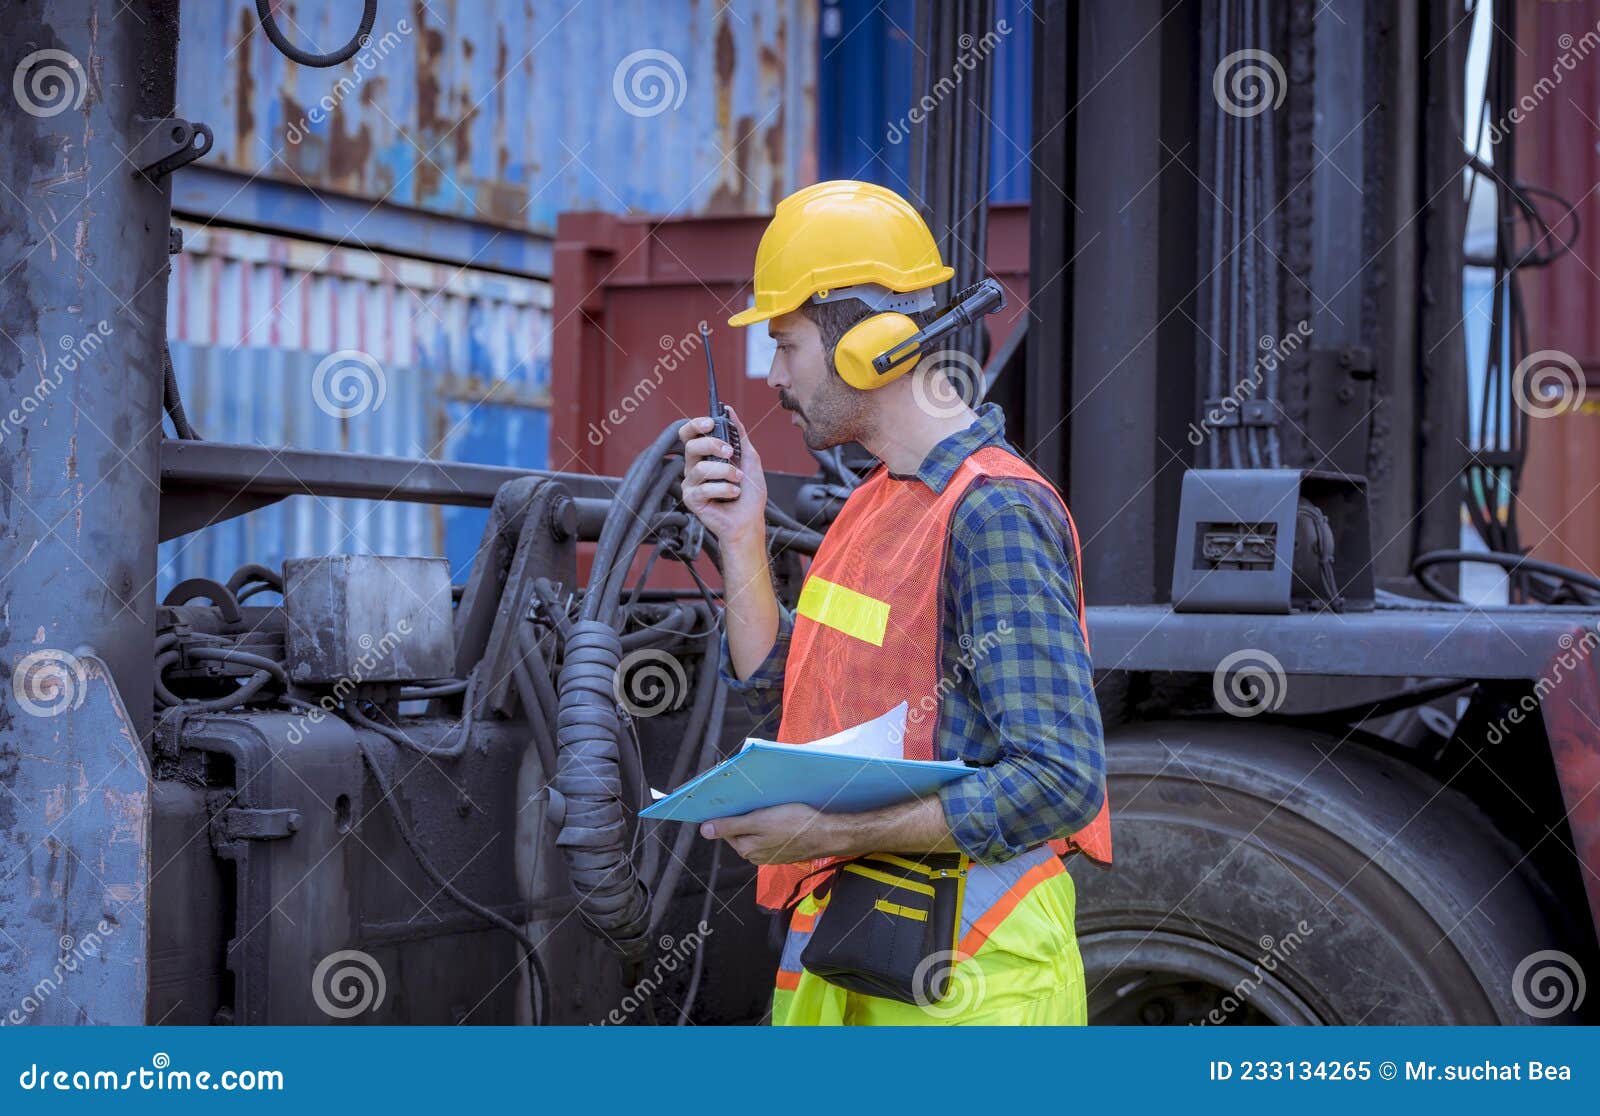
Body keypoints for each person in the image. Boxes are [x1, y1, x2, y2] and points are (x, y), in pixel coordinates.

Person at [676, 180, 1110, 1026]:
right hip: (863, 963)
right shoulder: (878, 501)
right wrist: (740, 534)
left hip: (975, 986)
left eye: (787, 343)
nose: (773, 376)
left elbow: (1062, 784)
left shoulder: (995, 513)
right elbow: (782, 688)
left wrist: (832, 834)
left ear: (866, 345)